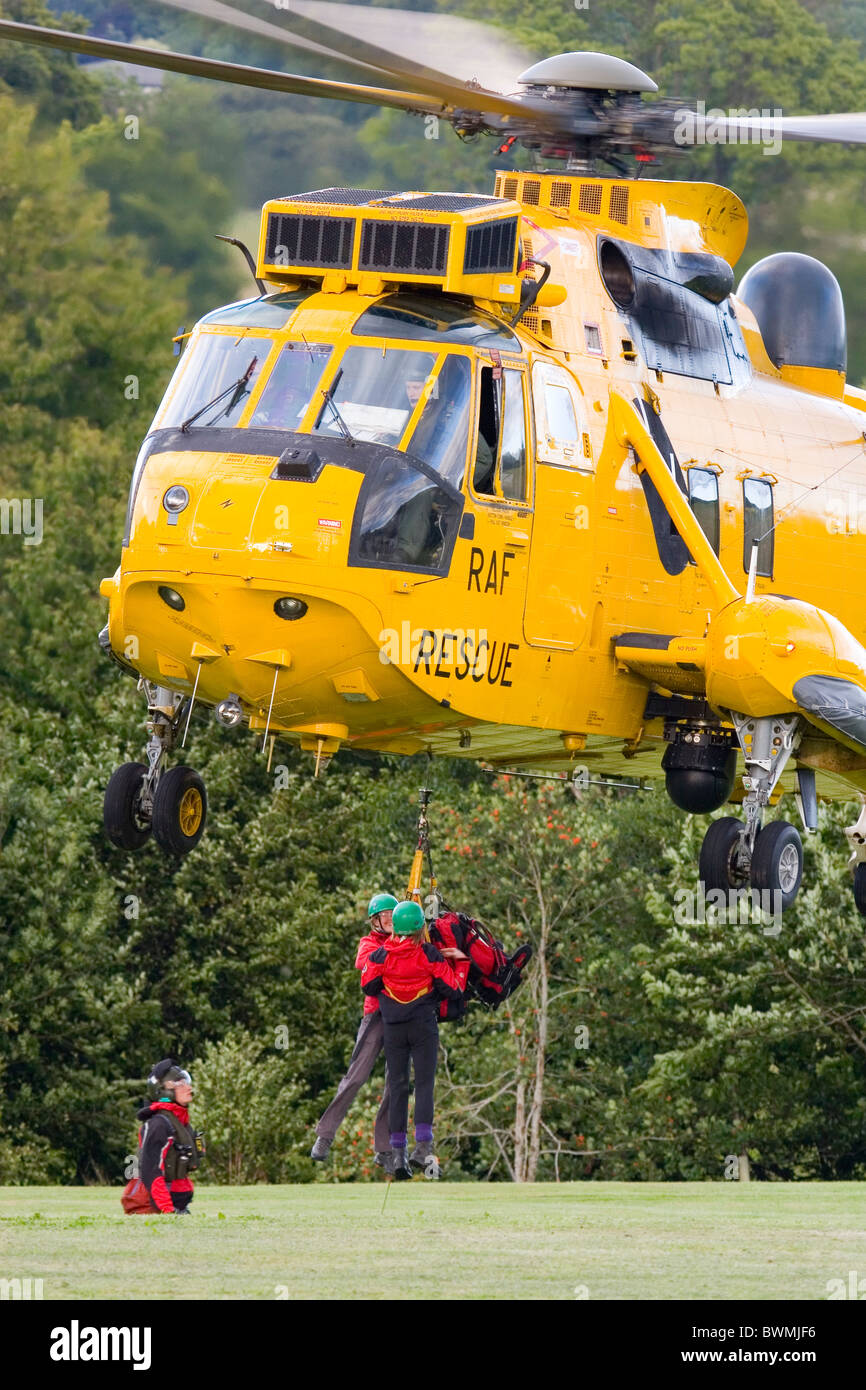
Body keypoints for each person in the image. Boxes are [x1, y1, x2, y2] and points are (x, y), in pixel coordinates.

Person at [361, 899, 465, 1179]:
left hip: (394, 1028)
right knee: (424, 1084)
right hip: (423, 1027)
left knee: (397, 1087)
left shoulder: (380, 955)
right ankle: (423, 1147)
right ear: (420, 927)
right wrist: (459, 962)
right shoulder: (430, 953)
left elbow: (368, 985)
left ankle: (398, 1156)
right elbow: (452, 989)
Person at [310, 892, 396, 1164]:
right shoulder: (369, 943)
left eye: (394, 915)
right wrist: (396, 945)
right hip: (376, 1015)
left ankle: (384, 1148)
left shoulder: (406, 941)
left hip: (401, 1014)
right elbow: (365, 962)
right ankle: (325, 1134)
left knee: (397, 1081)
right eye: (385, 916)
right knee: (356, 1077)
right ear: (375, 921)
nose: (390, 920)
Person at [123, 1059, 203, 1215]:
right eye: (179, 1084)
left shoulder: (181, 1122)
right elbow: (151, 1173)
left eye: (186, 1082)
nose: (188, 1087)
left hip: (174, 1206)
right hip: (152, 1208)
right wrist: (168, 1210)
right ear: (163, 1092)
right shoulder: (158, 1125)